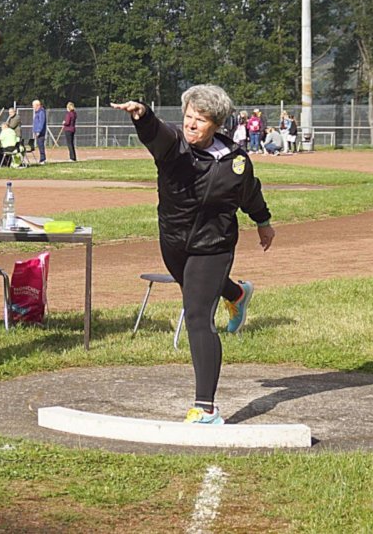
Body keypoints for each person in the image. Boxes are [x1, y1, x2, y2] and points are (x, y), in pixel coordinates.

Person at [112, 85, 275, 425]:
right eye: (188, 117)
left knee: (197, 315)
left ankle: (206, 409)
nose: (191, 124)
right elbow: (156, 134)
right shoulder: (173, 147)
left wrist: (263, 221)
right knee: (194, 286)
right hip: (173, 242)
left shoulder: (236, 162)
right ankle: (237, 293)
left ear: (216, 123)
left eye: (200, 120)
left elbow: (250, 194)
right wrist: (142, 116)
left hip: (213, 244)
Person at [31, 100, 48, 164]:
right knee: (39, 145)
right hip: (37, 132)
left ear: (37, 105)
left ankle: (43, 159)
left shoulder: (41, 112)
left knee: (41, 145)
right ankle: (42, 159)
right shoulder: (37, 112)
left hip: (41, 132)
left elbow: (41, 122)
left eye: (33, 105)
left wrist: (38, 131)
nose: (33, 107)